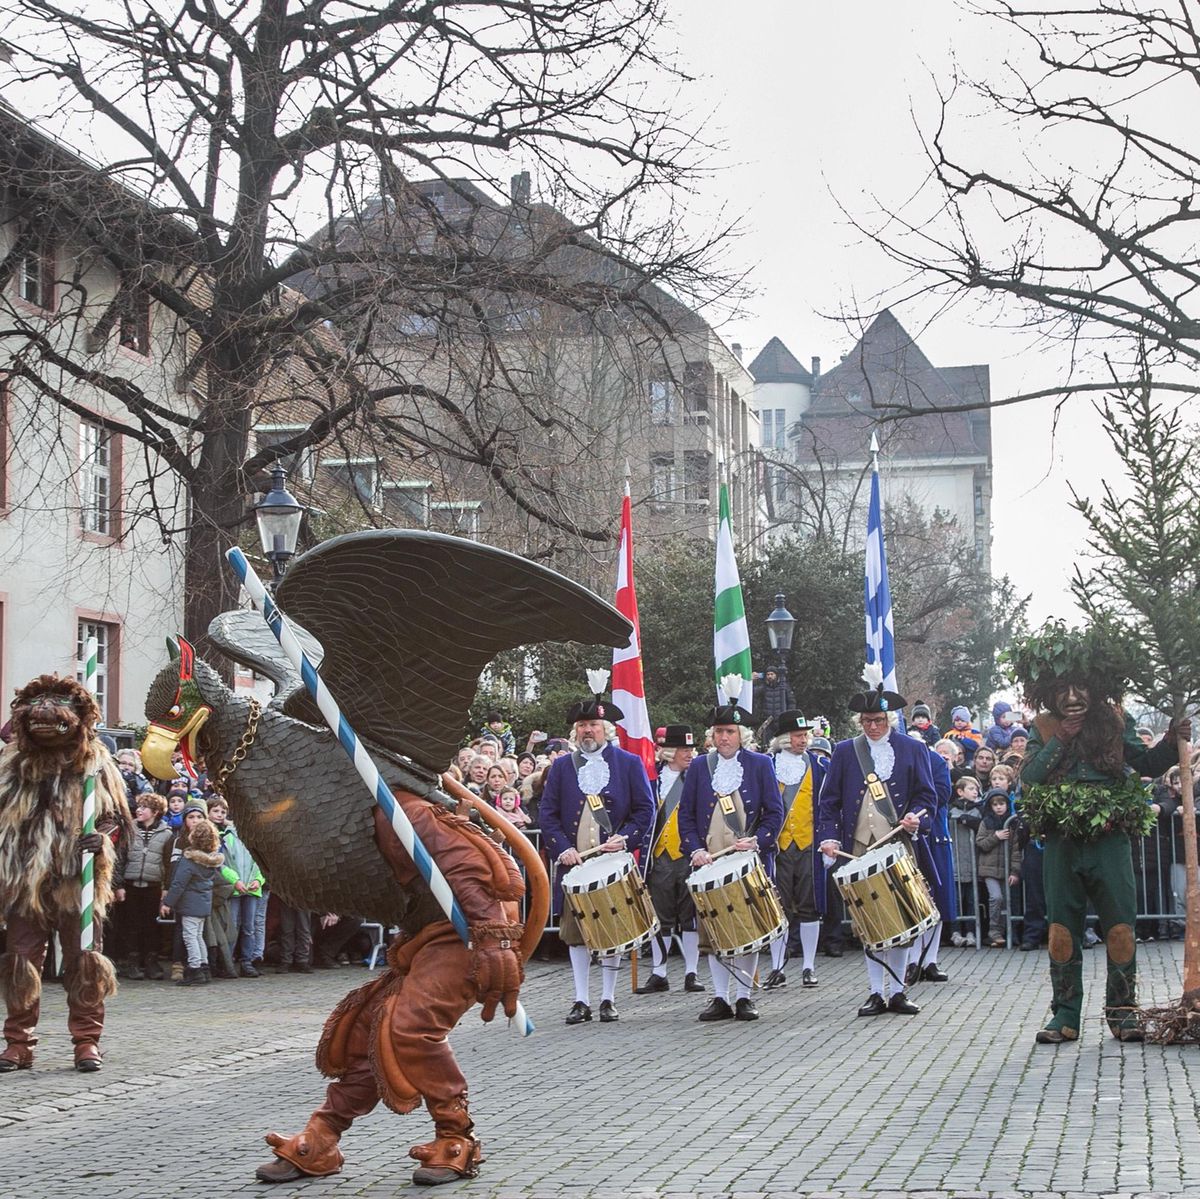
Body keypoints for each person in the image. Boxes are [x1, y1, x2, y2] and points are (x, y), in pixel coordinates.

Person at [1014, 622, 1189, 1044]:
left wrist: (1171, 740)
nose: (1072, 699)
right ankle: (1065, 1015)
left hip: (1110, 839)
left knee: (1120, 929)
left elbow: (1145, 764)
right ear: (1050, 692)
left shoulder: (1114, 720)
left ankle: (1123, 1013)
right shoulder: (1041, 726)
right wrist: (1061, 738)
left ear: (1095, 689)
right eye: (1063, 691)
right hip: (1062, 842)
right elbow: (1030, 779)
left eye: (1080, 690)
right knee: (1060, 931)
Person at [0, 674, 132, 1072]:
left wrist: (102, 841)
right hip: (27, 883)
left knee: (84, 961)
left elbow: (114, 820)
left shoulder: (96, 765)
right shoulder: (12, 767)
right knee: (21, 961)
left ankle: (87, 1041)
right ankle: (18, 1042)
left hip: (79, 881)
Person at [539, 672, 654, 1024]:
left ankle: (607, 998)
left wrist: (626, 839)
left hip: (612, 861)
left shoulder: (628, 764)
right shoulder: (560, 767)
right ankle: (580, 999)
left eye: (593, 725)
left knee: (612, 930)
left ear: (606, 729)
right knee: (575, 934)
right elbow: (548, 813)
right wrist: (561, 849)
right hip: (575, 864)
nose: (588, 731)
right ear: (576, 732)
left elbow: (645, 811)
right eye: (583, 726)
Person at [817, 673, 935, 1017]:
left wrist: (916, 817)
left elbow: (928, 796)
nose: (872, 727)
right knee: (868, 922)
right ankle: (875, 992)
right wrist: (829, 836)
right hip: (858, 847)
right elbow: (829, 802)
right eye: (867, 721)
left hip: (897, 845)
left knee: (899, 919)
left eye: (879, 720)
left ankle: (898, 991)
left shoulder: (913, 749)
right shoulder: (844, 751)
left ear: (890, 719)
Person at [678, 677, 784, 1022]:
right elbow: (687, 816)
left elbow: (774, 812)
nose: (724, 737)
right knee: (713, 930)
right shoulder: (698, 767)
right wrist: (694, 849)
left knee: (747, 928)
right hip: (709, 862)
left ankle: (743, 996)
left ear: (742, 735)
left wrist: (759, 841)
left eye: (730, 731)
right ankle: (720, 997)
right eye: (719, 731)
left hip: (746, 860)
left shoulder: (760, 764)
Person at [635, 725, 704, 994]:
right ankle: (659, 972)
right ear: (671, 752)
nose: (690, 754)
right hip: (660, 858)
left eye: (691, 749)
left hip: (689, 855)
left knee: (691, 918)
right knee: (660, 919)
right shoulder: (653, 781)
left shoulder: (698, 780)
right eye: (685, 749)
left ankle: (691, 972)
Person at [763, 711, 826, 990]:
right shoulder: (768, 766)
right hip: (778, 848)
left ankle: (809, 966)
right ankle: (777, 967)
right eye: (798, 736)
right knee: (779, 907)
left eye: (805, 735)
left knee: (810, 907)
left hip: (808, 846)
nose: (803, 740)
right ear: (785, 739)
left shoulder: (819, 766)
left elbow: (826, 808)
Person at [117, 792, 175, 981]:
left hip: (153, 885)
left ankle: (151, 961)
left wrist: (166, 889)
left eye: (144, 807)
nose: (138, 810)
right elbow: (120, 858)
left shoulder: (167, 834)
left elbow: (168, 864)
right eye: (138, 806)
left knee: (152, 926)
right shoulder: (130, 830)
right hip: (130, 884)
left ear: (156, 812)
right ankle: (132, 961)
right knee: (130, 924)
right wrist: (118, 885)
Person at [160, 817, 223, 985]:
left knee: (190, 936)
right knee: (198, 936)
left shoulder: (189, 861)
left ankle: (195, 969)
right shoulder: (211, 861)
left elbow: (179, 884)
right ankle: (204, 967)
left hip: (189, 904)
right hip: (203, 904)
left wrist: (168, 903)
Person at [208, 795, 266, 978]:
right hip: (235, 888)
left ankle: (247, 961)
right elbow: (221, 863)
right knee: (232, 925)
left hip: (252, 888)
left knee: (249, 927)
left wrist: (259, 880)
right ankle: (228, 960)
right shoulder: (226, 837)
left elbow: (263, 863)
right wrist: (235, 881)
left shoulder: (256, 838)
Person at [976, 789, 1021, 948]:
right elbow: (980, 842)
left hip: (1006, 869)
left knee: (1006, 902)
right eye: (995, 804)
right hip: (989, 870)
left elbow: (1016, 850)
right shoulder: (986, 822)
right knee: (996, 898)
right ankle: (993, 931)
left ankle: (1002, 933)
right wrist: (996, 837)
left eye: (1002, 804)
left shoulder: (1013, 824)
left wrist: (1015, 871)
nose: (999, 807)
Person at [948, 774, 982, 947]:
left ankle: (971, 931)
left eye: (976, 789)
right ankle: (955, 931)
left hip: (972, 860)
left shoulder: (979, 810)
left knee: (971, 898)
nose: (975, 792)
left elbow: (980, 824)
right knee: (956, 898)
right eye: (971, 788)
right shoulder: (951, 811)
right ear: (960, 792)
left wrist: (968, 820)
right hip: (955, 860)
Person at [752, 668, 795, 732]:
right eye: (768, 674)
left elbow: (791, 702)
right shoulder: (763, 687)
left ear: (776, 675)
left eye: (772, 674)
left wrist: (788, 716)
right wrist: (752, 681)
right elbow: (753, 693)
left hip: (781, 720)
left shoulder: (783, 687)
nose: (770, 676)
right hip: (767, 721)